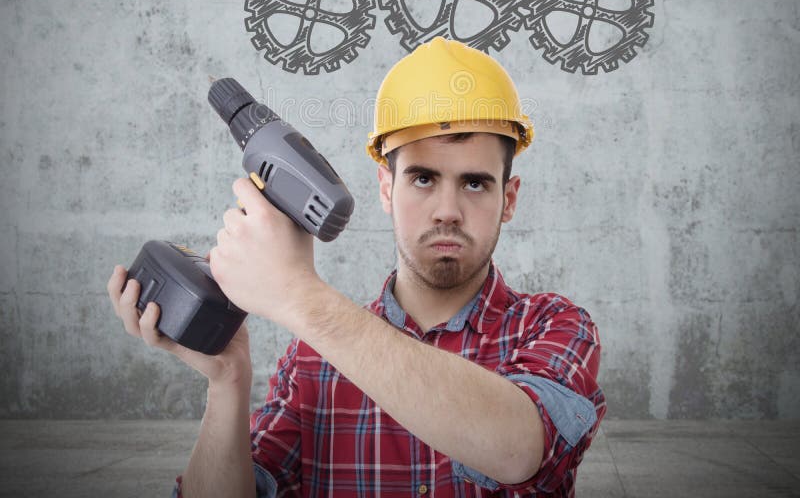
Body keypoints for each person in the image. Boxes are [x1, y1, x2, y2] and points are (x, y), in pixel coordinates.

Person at [108, 36, 605, 497]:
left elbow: (518, 449)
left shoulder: (555, 326)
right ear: (386, 190)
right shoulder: (311, 361)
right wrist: (227, 380)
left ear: (509, 198)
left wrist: (299, 294)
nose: (447, 210)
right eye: (423, 178)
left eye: (475, 183)